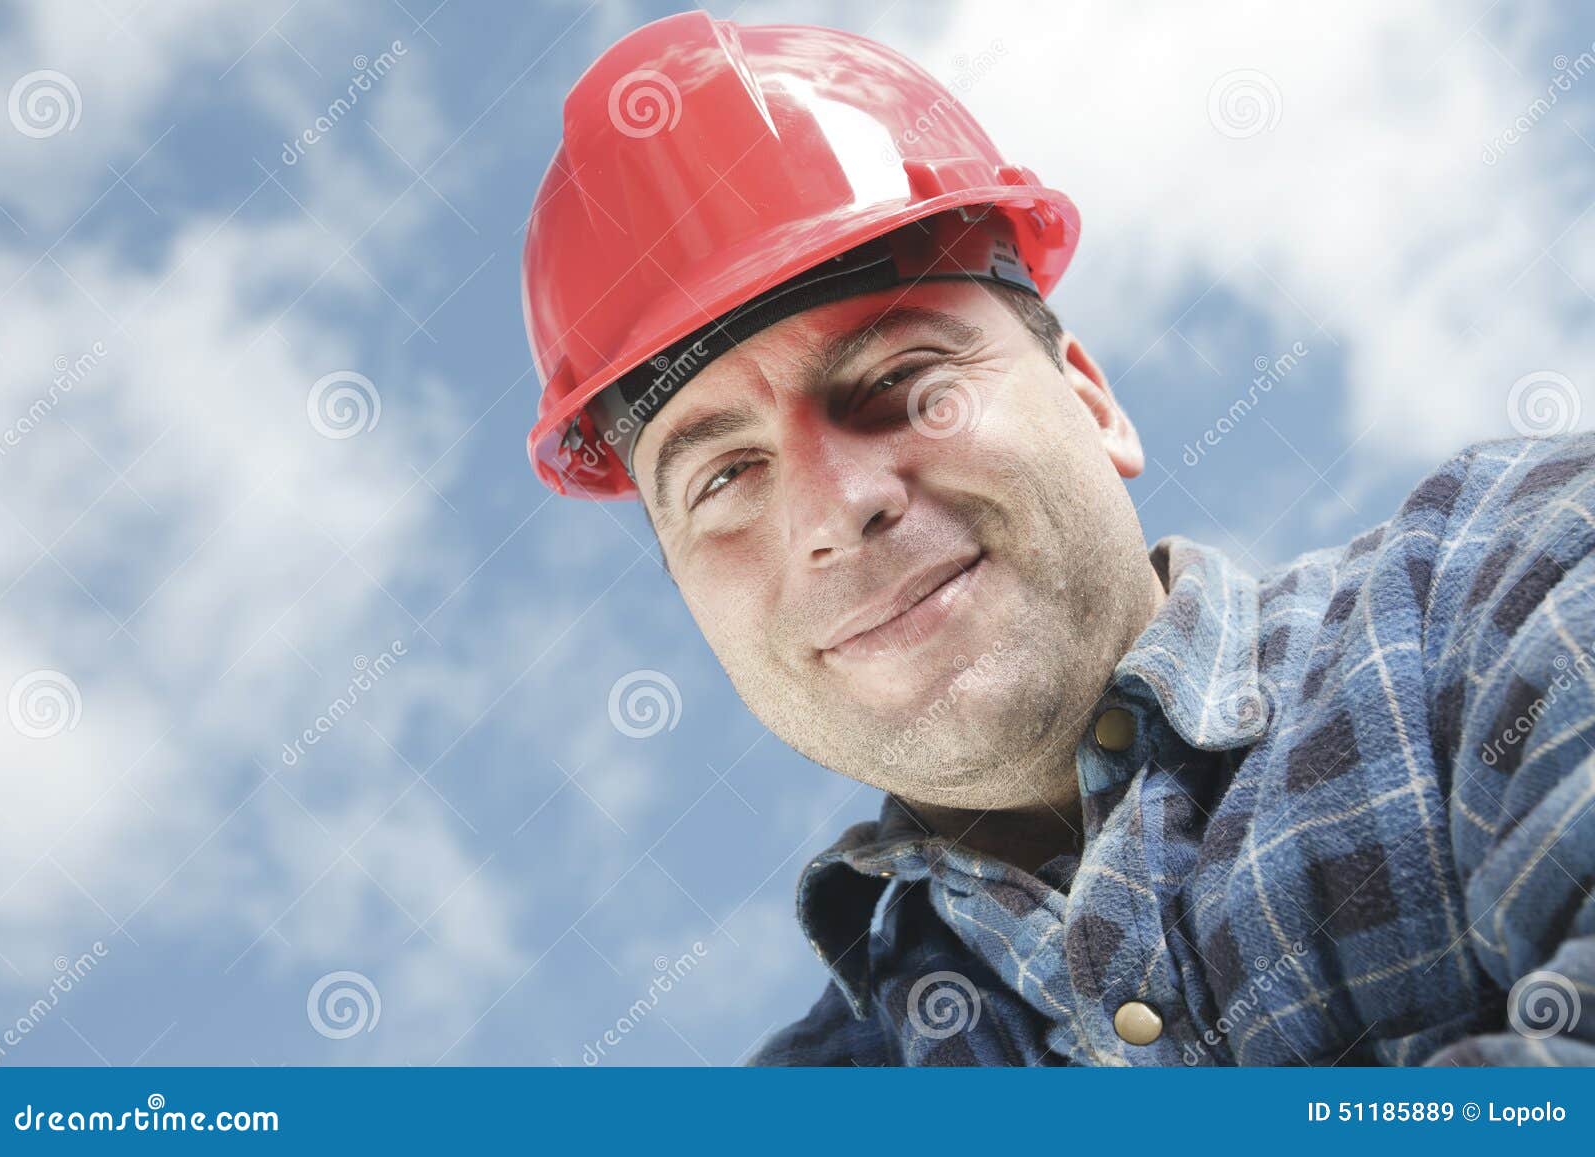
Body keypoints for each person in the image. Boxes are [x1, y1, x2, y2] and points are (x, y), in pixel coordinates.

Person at [522, 11, 1595, 1065]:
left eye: (902, 381)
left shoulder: (1522, 577)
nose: (835, 505)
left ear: (1091, 399)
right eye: (726, 476)